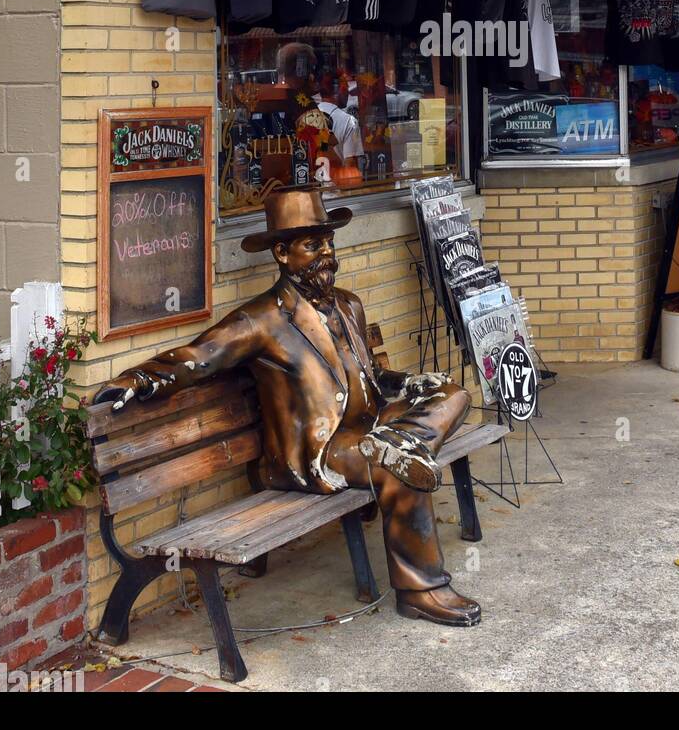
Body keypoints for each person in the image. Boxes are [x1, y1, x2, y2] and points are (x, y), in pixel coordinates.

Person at [95, 185, 481, 626]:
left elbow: (370, 376)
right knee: (398, 469)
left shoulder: (347, 304)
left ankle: (398, 444)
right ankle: (420, 591)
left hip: (372, 428)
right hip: (323, 450)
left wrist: (410, 382)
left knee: (454, 393)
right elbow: (197, 359)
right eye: (312, 245)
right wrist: (138, 379)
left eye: (329, 243)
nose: (327, 255)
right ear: (281, 252)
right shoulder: (261, 320)